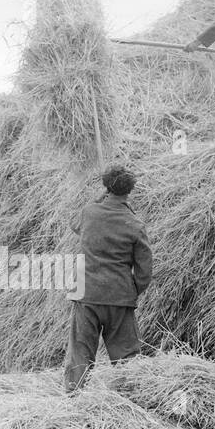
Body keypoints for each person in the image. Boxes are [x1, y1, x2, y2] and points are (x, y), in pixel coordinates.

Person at [65, 165, 153, 393]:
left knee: (81, 354)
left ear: (106, 186)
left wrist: (99, 197)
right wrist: (130, 290)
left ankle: (73, 400)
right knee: (127, 360)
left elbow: (74, 225)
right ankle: (131, 401)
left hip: (87, 294)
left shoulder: (89, 213)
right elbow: (144, 271)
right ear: (130, 191)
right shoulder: (135, 225)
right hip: (119, 298)